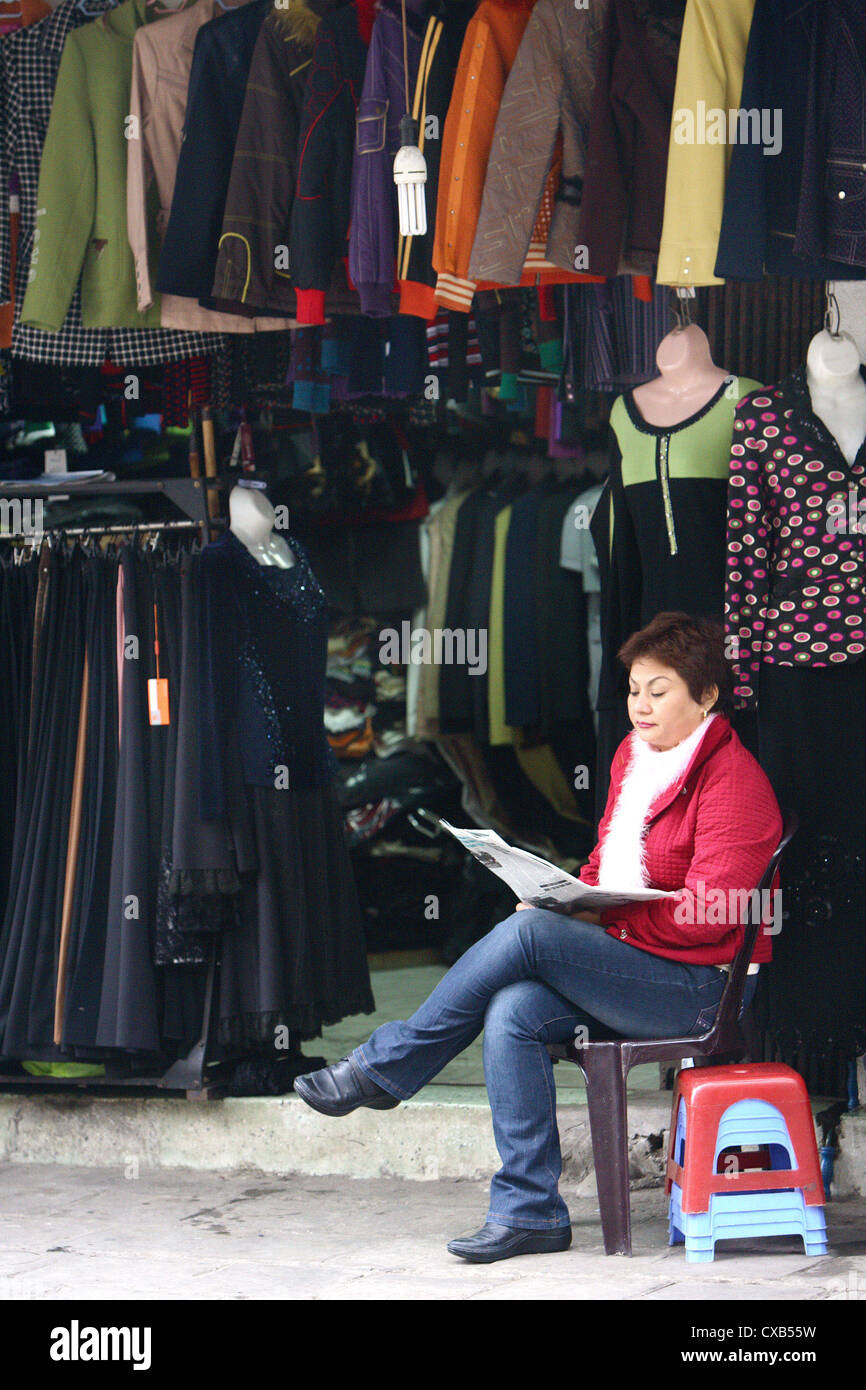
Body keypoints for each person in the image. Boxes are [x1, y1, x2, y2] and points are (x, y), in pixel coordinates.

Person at [294, 612, 783, 1263]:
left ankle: (386, 1067)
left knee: (530, 935)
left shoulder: (733, 782)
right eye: (634, 689)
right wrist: (565, 894)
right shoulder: (635, 761)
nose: (640, 705)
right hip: (640, 965)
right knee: (514, 1008)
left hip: (702, 990)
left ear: (706, 697)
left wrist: (589, 918)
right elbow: (602, 866)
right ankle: (529, 1212)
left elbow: (708, 915)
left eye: (658, 691)